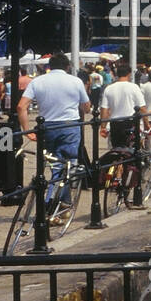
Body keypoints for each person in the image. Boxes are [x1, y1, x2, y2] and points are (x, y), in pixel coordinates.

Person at [16, 53, 91, 217]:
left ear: (49, 66)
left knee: (55, 166)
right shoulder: (75, 81)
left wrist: (27, 131)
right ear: (68, 66)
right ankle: (50, 204)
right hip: (69, 126)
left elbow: (21, 107)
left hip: (47, 127)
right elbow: (86, 107)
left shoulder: (38, 81)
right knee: (67, 167)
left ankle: (64, 204)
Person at [99, 61, 148, 151]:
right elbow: (142, 108)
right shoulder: (134, 87)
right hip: (130, 124)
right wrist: (147, 124)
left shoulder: (109, 88)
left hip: (115, 124)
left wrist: (103, 127)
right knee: (131, 152)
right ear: (129, 74)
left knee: (116, 151)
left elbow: (104, 110)